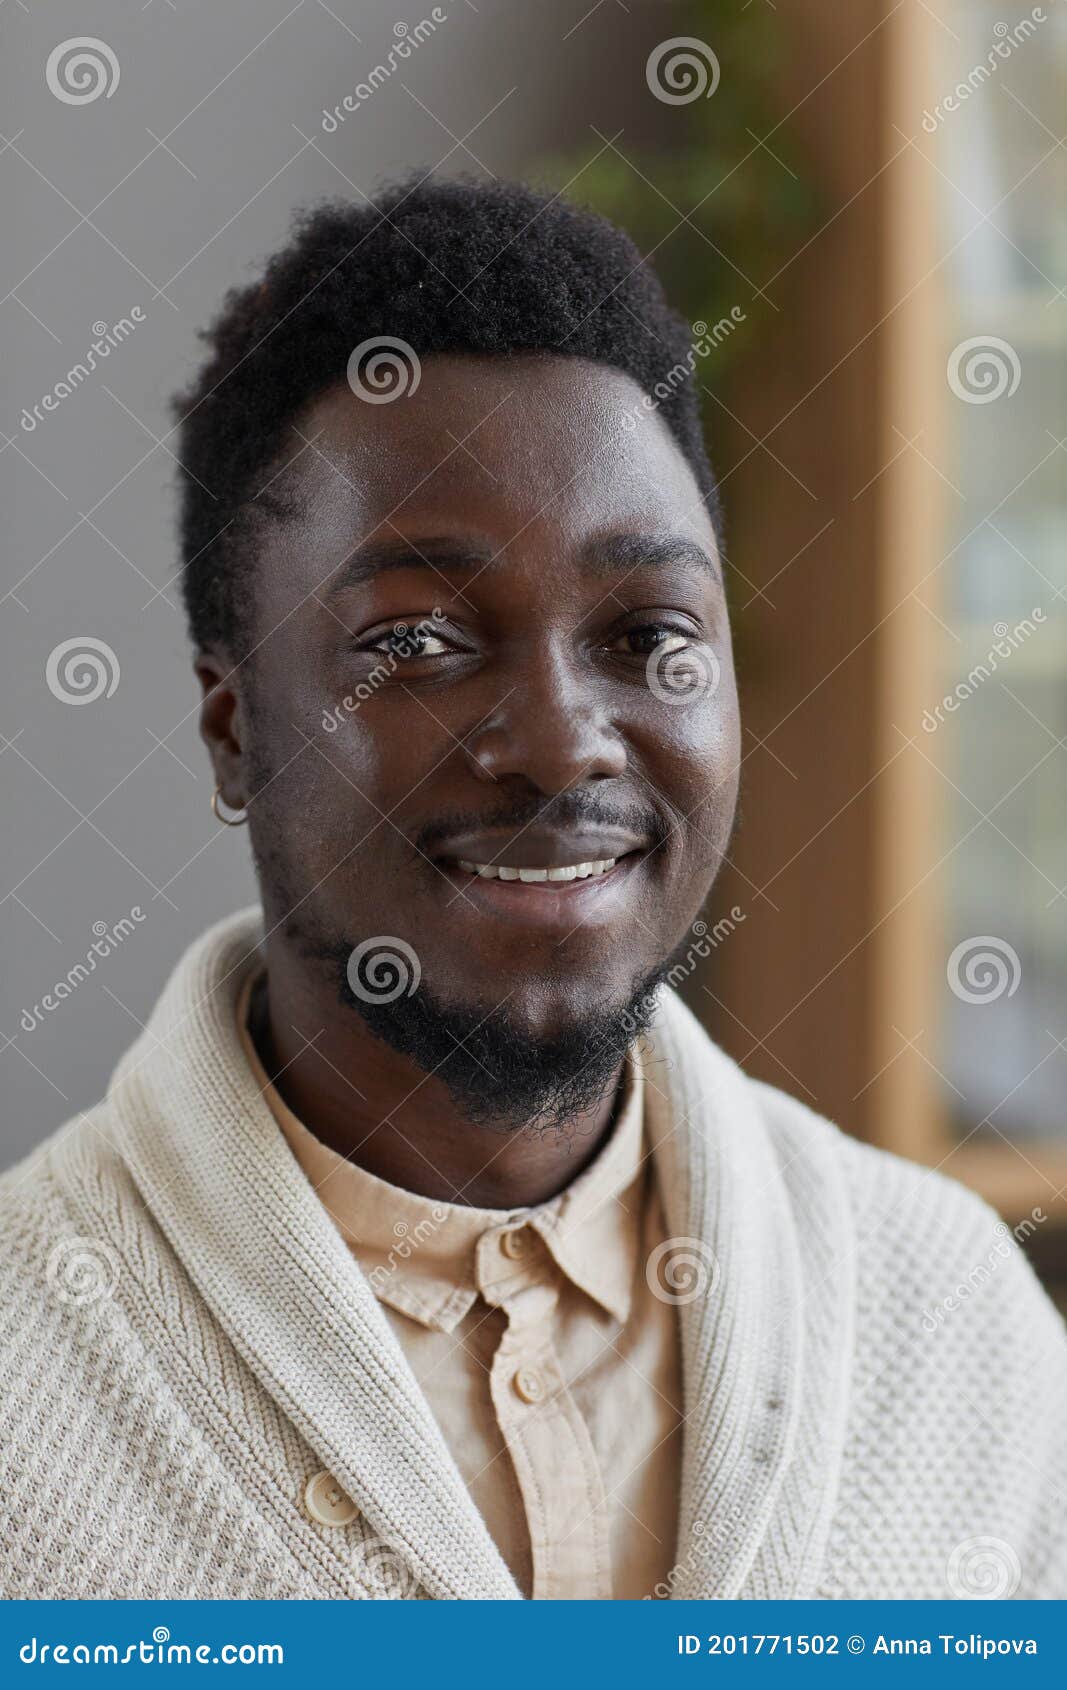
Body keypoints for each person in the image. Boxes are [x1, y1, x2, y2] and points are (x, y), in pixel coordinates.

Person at [1, 177, 1063, 1602]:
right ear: (235, 727)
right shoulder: (30, 1367)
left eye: (644, 631)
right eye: (424, 639)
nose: (563, 740)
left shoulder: (950, 1314)